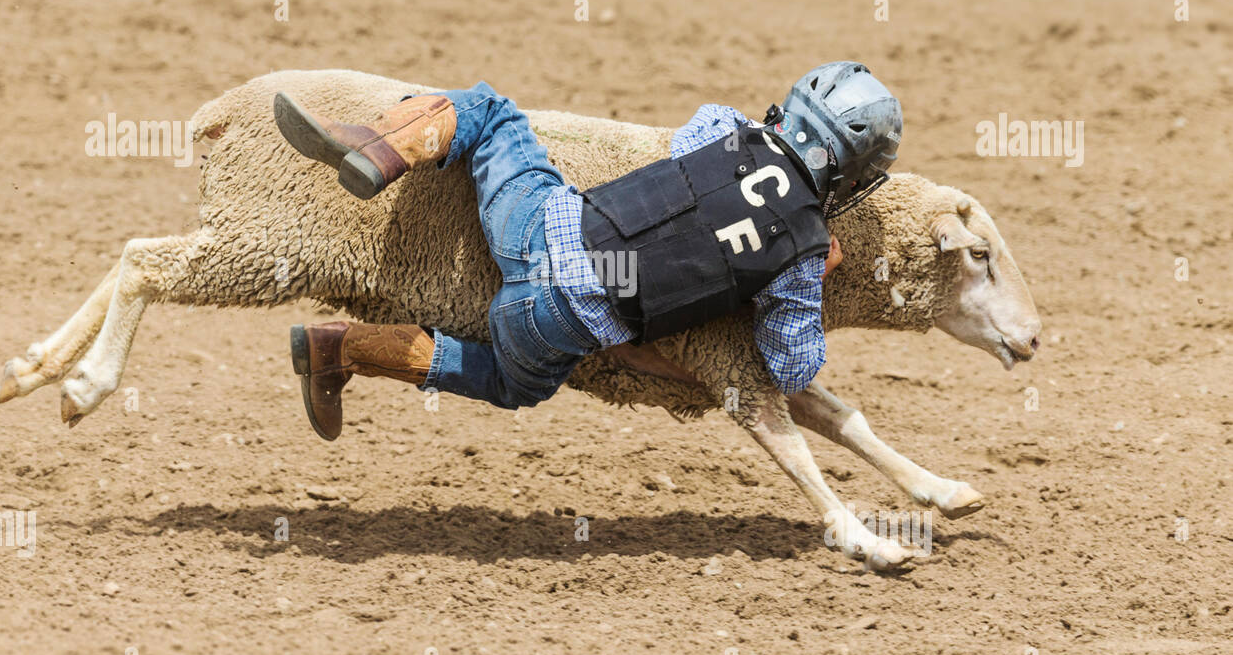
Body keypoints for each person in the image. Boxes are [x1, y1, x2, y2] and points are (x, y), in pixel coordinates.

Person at [272, 63, 901, 440]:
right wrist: (817, 273)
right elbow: (791, 369)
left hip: (539, 229)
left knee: (490, 112)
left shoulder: (728, 133)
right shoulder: (800, 256)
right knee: (510, 384)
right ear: (855, 174)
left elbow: (695, 133)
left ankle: (382, 147)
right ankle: (342, 349)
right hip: (554, 326)